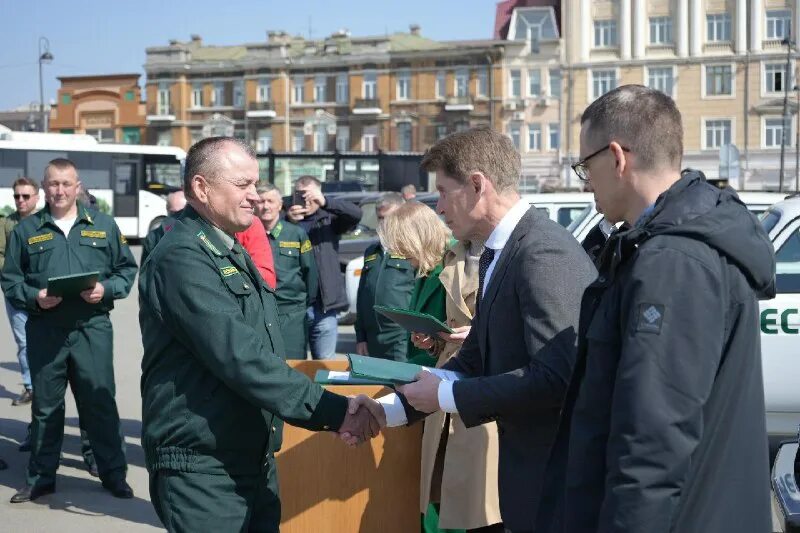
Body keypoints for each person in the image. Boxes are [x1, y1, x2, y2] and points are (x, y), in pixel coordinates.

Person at [537, 85, 775, 533]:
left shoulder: (672, 262)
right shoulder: (671, 244)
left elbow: (652, 439)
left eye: (585, 167)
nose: (586, 183)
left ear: (616, 158)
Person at [350, 126, 597, 532]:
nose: (439, 207)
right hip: (526, 484)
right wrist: (389, 409)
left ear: (478, 185)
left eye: (444, 192)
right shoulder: (500, 252)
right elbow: (473, 359)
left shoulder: (541, 251)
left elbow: (557, 378)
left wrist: (446, 395)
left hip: (551, 487)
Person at [138, 137, 379, 532]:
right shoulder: (182, 257)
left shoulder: (226, 248)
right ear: (201, 188)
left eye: (255, 183)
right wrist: (334, 412)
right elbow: (241, 357)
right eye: (242, 184)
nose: (255, 195)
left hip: (249, 456)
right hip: (203, 467)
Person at [2, 158, 138, 502]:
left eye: (66, 183)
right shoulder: (26, 231)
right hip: (45, 329)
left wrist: (105, 289)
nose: (59, 190)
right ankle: (40, 478)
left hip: (92, 328)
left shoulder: (104, 225)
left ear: (78, 187)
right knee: (46, 407)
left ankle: (113, 474)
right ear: (44, 188)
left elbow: (126, 269)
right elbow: (11, 280)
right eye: (53, 184)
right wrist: (35, 297)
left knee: (99, 403)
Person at [381, 200, 502, 532]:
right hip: (439, 379)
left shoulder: (450, 266)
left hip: (461, 388)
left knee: (465, 497)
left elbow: (468, 328)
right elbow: (446, 333)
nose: (399, 255)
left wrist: (441, 342)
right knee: (442, 491)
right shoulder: (428, 270)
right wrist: (432, 341)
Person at [286, 175, 362, 359]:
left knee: (325, 364)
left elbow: (356, 214)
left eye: (309, 194)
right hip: (293, 307)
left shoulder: (328, 219)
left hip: (324, 307)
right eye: (300, 195)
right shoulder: (285, 219)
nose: (306, 200)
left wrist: (326, 201)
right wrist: (288, 221)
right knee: (292, 363)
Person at [255, 183, 318, 359]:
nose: (265, 206)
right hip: (258, 312)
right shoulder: (245, 234)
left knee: (293, 362)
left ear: (280, 205)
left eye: (270, 201)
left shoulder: (296, 234)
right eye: (260, 201)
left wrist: (300, 305)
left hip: (291, 313)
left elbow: (310, 274)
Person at [354, 192, 415, 361]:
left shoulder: (412, 250)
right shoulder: (372, 252)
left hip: (401, 338)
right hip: (373, 339)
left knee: (402, 378)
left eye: (390, 217)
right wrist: (361, 337)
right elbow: (362, 294)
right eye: (381, 218)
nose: (384, 223)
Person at [0, 177, 40, 405]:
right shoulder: (6, 223)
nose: (21, 200)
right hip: (15, 293)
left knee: (47, 338)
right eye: (17, 196)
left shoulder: (45, 221)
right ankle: (30, 387)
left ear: (37, 197)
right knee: (24, 342)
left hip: (43, 292)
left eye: (26, 196)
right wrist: (12, 273)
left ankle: (48, 384)